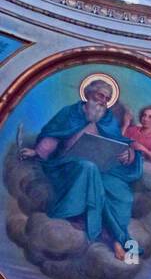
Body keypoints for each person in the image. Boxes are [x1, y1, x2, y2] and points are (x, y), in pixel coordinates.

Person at [18, 76, 142, 262]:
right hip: (66, 166)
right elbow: (53, 136)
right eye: (100, 95)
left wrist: (129, 154)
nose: (103, 101)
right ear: (89, 93)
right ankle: (112, 239)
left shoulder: (107, 120)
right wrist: (36, 152)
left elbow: (120, 143)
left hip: (99, 168)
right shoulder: (70, 113)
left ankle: (117, 238)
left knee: (120, 191)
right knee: (87, 168)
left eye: (107, 99)